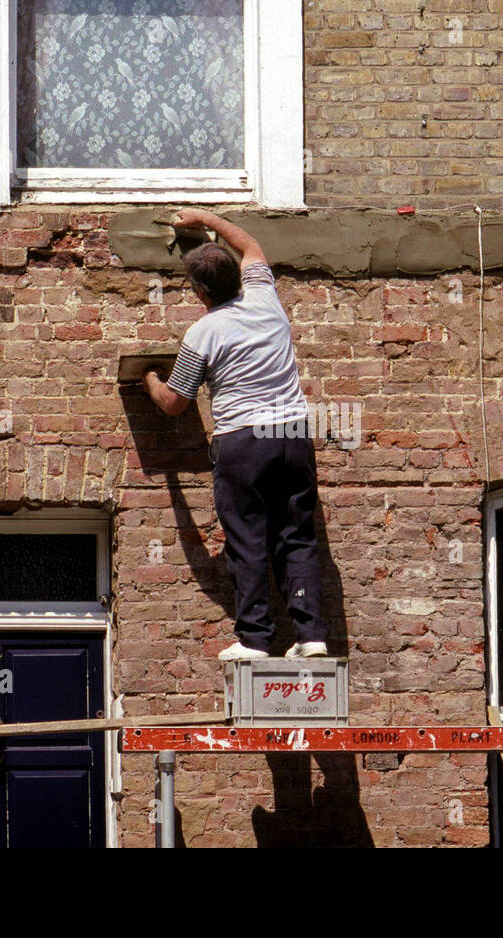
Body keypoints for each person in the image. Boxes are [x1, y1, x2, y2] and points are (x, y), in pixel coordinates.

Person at [143, 209, 328, 661]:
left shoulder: (203, 332)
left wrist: (148, 377)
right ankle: (311, 637)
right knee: (296, 537)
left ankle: (255, 642)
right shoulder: (265, 298)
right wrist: (204, 217)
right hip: (293, 434)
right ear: (238, 278)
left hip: (243, 441)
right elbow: (251, 245)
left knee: (247, 539)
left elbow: (174, 403)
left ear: (199, 292)